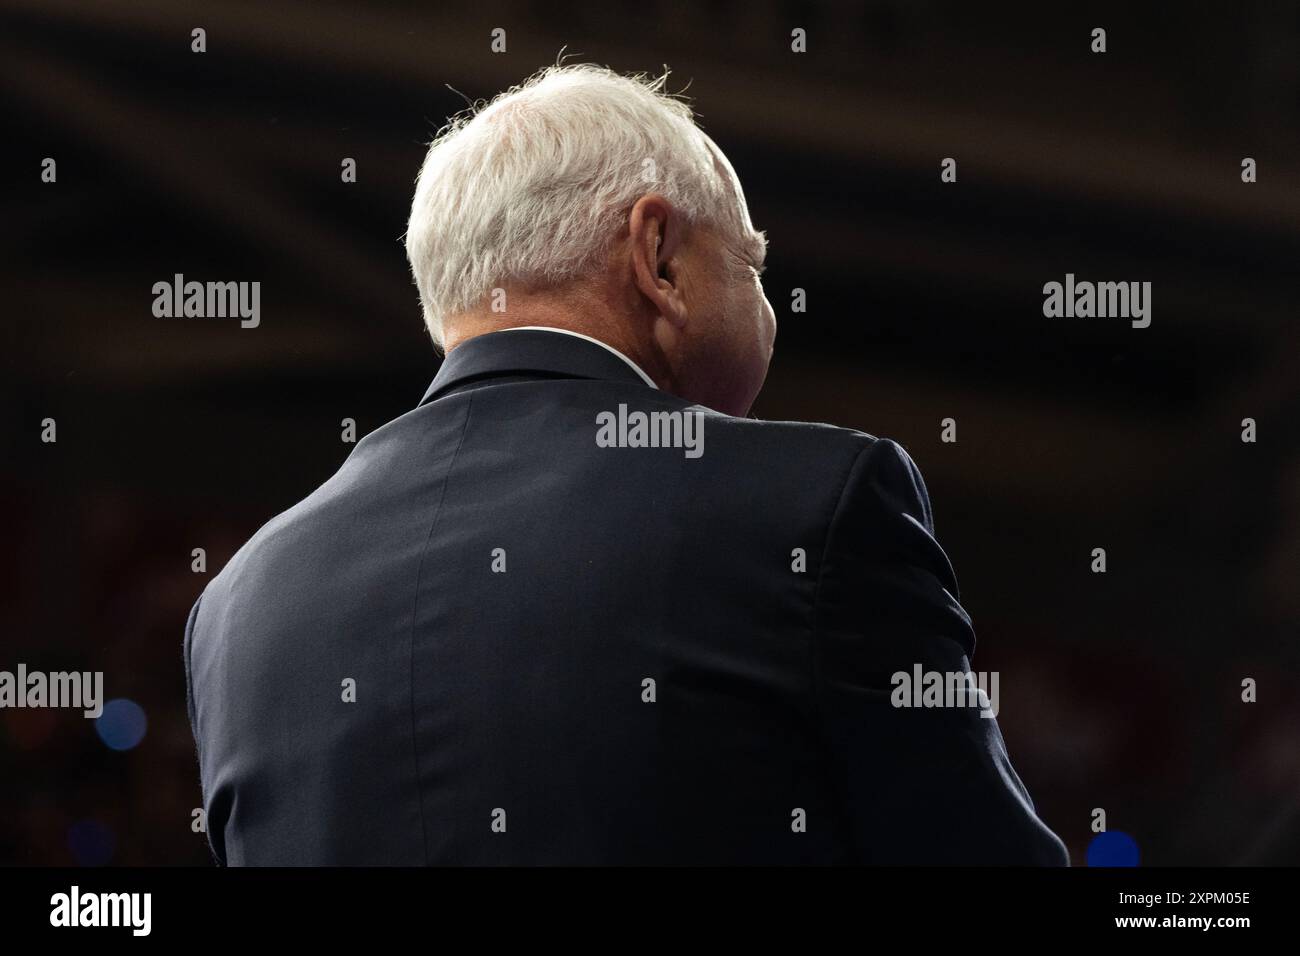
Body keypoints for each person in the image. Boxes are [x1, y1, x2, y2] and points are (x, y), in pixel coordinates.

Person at [184, 63, 1068, 865]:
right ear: (658, 260)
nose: (764, 299)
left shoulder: (236, 605)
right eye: (751, 262)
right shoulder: (815, 504)